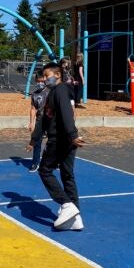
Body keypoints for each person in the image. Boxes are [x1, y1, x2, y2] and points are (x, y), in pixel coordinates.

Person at [32, 62, 86, 231]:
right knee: (67, 174)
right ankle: (75, 218)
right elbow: (44, 119)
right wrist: (34, 138)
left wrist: (72, 134)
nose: (45, 79)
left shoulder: (60, 90)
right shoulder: (52, 93)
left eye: (47, 76)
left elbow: (66, 113)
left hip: (60, 139)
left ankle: (66, 204)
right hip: (67, 139)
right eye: (44, 77)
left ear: (57, 75)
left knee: (44, 170)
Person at [25, 71, 48, 172]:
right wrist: (31, 122)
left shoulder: (52, 91)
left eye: (41, 81)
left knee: (54, 143)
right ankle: (35, 163)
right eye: (38, 82)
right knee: (36, 142)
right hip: (40, 122)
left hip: (51, 121)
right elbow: (33, 109)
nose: (40, 83)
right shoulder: (34, 95)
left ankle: (55, 162)